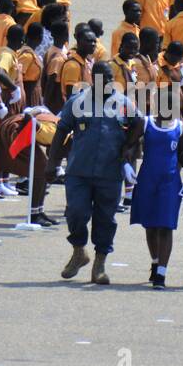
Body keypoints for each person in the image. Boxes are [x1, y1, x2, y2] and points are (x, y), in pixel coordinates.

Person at [47, 61, 143, 284]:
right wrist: (52, 163)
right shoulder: (77, 101)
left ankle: (99, 264)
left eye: (110, 78)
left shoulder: (123, 103)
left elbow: (138, 123)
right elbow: (61, 132)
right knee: (76, 213)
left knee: (105, 218)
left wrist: (128, 147)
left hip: (109, 172)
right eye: (102, 78)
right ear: (92, 79)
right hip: (78, 170)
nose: (107, 82)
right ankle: (79, 252)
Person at [131, 85, 183, 288]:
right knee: (151, 225)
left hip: (170, 182)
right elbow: (129, 145)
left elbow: (181, 153)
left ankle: (162, 273)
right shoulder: (145, 123)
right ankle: (155, 262)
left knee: (166, 226)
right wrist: (126, 164)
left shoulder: (180, 127)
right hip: (147, 179)